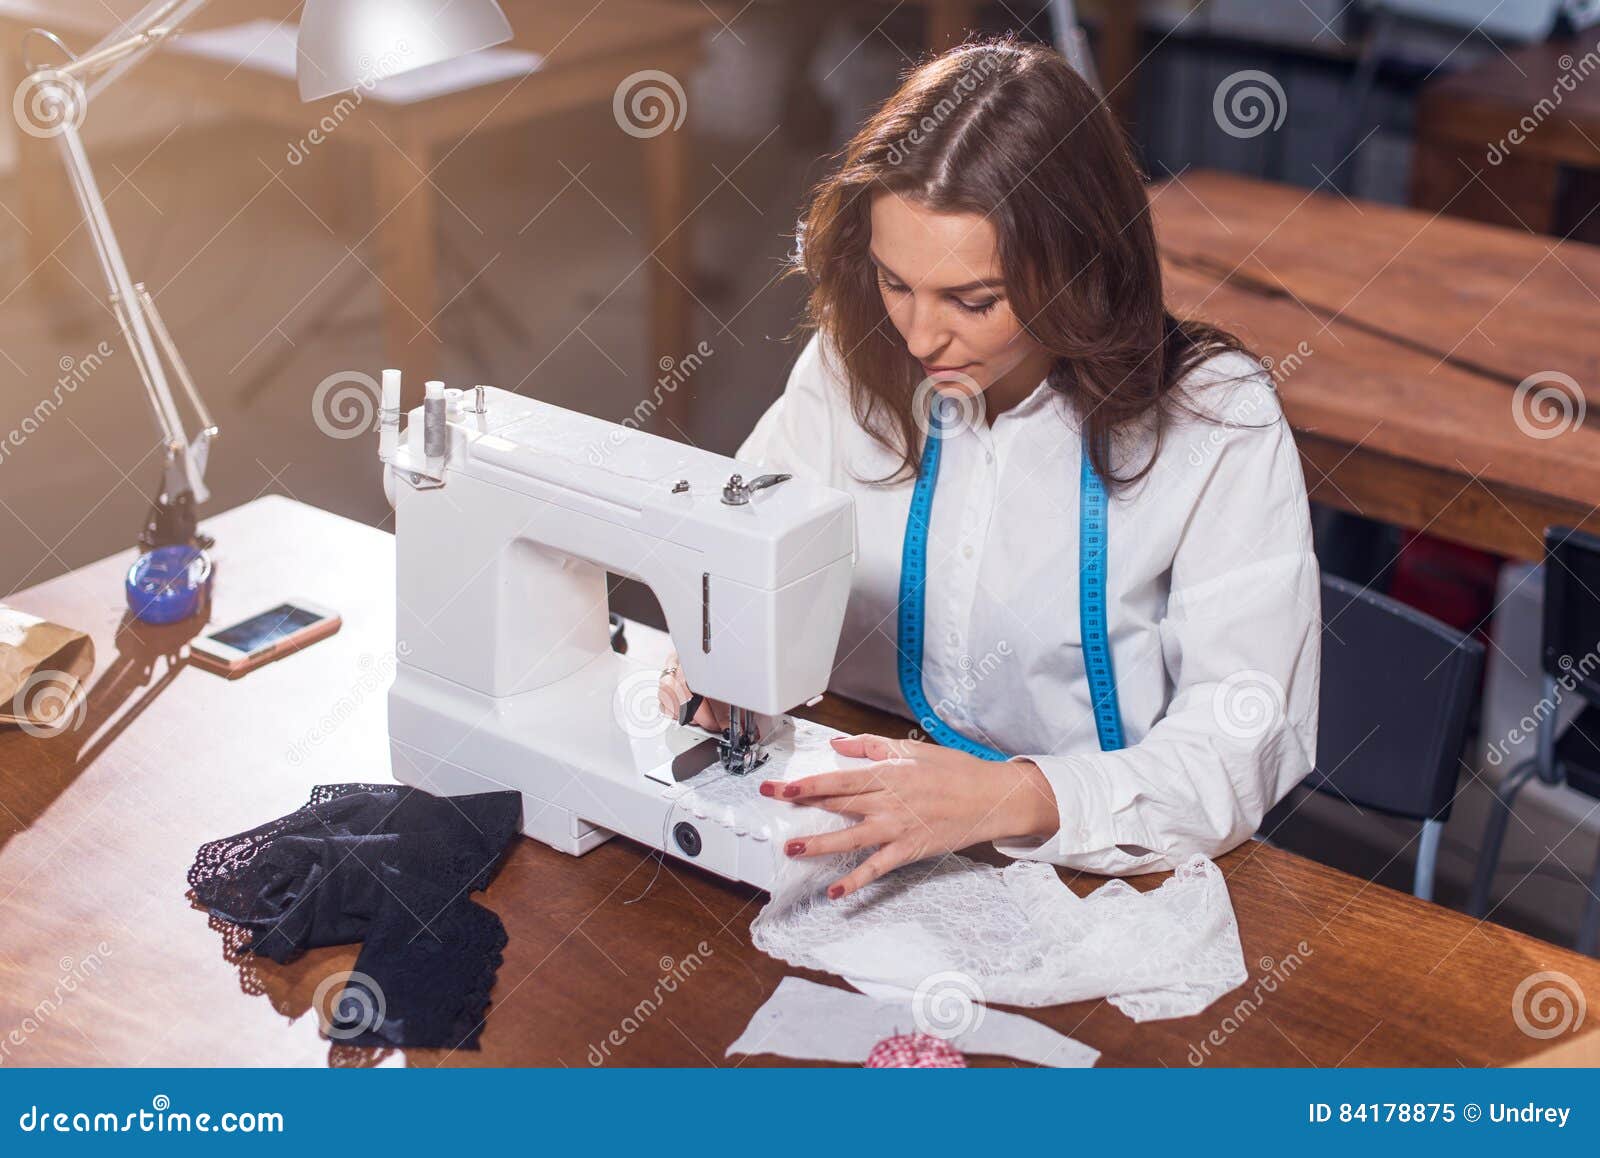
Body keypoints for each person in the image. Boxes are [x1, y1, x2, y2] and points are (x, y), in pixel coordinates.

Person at [659, 36, 1320, 900]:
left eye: (973, 301)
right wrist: (714, 655)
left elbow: (1243, 740)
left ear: (1078, 267)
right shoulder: (853, 360)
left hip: (1100, 865)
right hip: (854, 807)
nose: (921, 336)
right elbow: (738, 550)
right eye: (896, 282)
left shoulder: (1214, 420)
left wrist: (1010, 796)